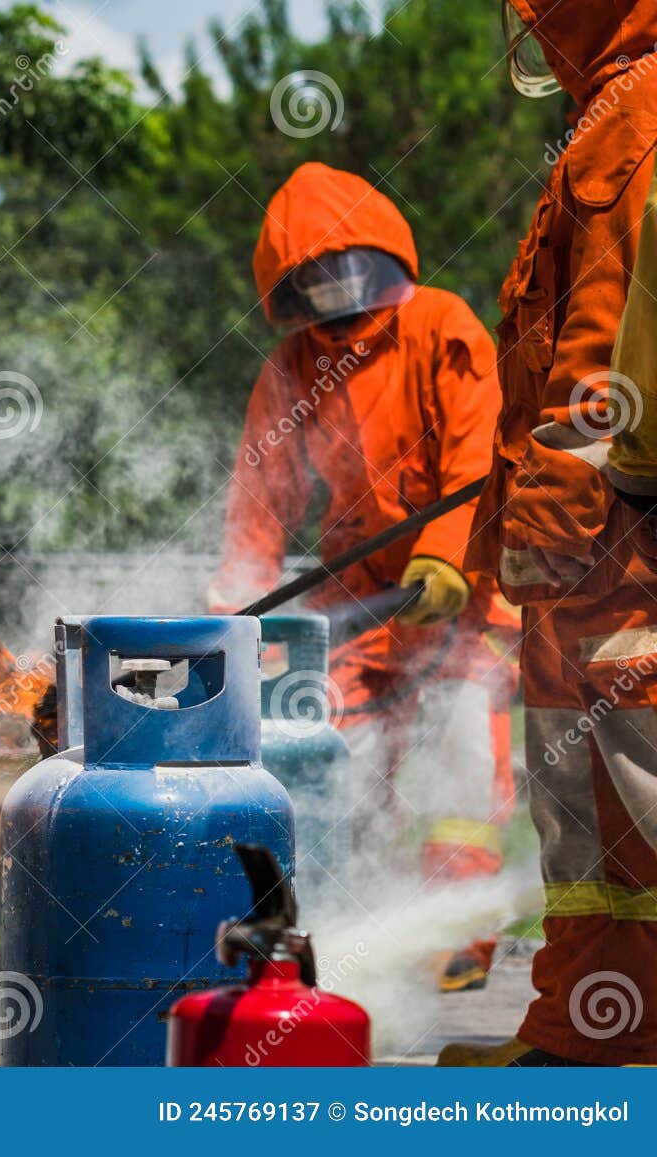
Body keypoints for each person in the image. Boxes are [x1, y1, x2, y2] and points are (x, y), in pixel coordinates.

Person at [211, 162, 520, 992]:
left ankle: (459, 934)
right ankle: (347, 929)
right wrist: (238, 619)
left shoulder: (444, 326)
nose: (338, 293)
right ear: (288, 288)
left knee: (457, 757)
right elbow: (259, 504)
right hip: (359, 602)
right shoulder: (289, 370)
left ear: (388, 255)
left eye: (351, 268)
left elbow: (477, 458)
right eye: (314, 278)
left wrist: (446, 555)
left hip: (460, 589)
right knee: (334, 759)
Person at [449, 0, 657, 1067]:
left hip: (611, 533)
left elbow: (602, 333)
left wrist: (556, 506)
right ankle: (586, 1026)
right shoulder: (605, 111)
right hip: (588, 535)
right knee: (590, 818)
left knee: (635, 790)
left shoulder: (638, 111)